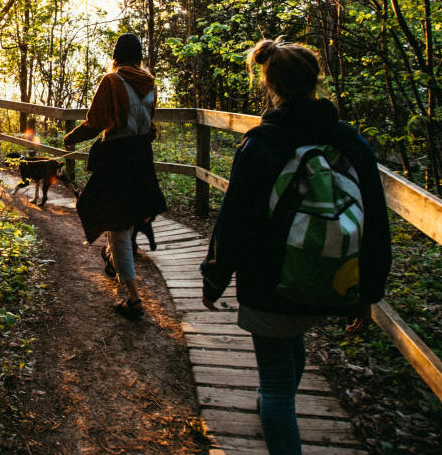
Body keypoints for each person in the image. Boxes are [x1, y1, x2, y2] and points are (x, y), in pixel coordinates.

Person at [200, 37, 392, 455]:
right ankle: (275, 403)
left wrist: (214, 276)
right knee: (290, 348)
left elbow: (234, 219)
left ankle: (275, 412)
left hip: (267, 280)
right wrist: (369, 290)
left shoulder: (261, 143)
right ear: (315, 81)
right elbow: (375, 219)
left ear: (270, 85)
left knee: (276, 388)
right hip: (329, 272)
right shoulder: (350, 142)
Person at [64, 33, 167, 320]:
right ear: (139, 56)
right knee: (129, 215)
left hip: (117, 158)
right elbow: (151, 123)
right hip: (141, 155)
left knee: (116, 223)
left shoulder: (111, 81)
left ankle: (133, 298)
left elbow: (95, 122)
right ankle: (112, 259)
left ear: (116, 55)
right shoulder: (150, 84)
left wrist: (71, 138)